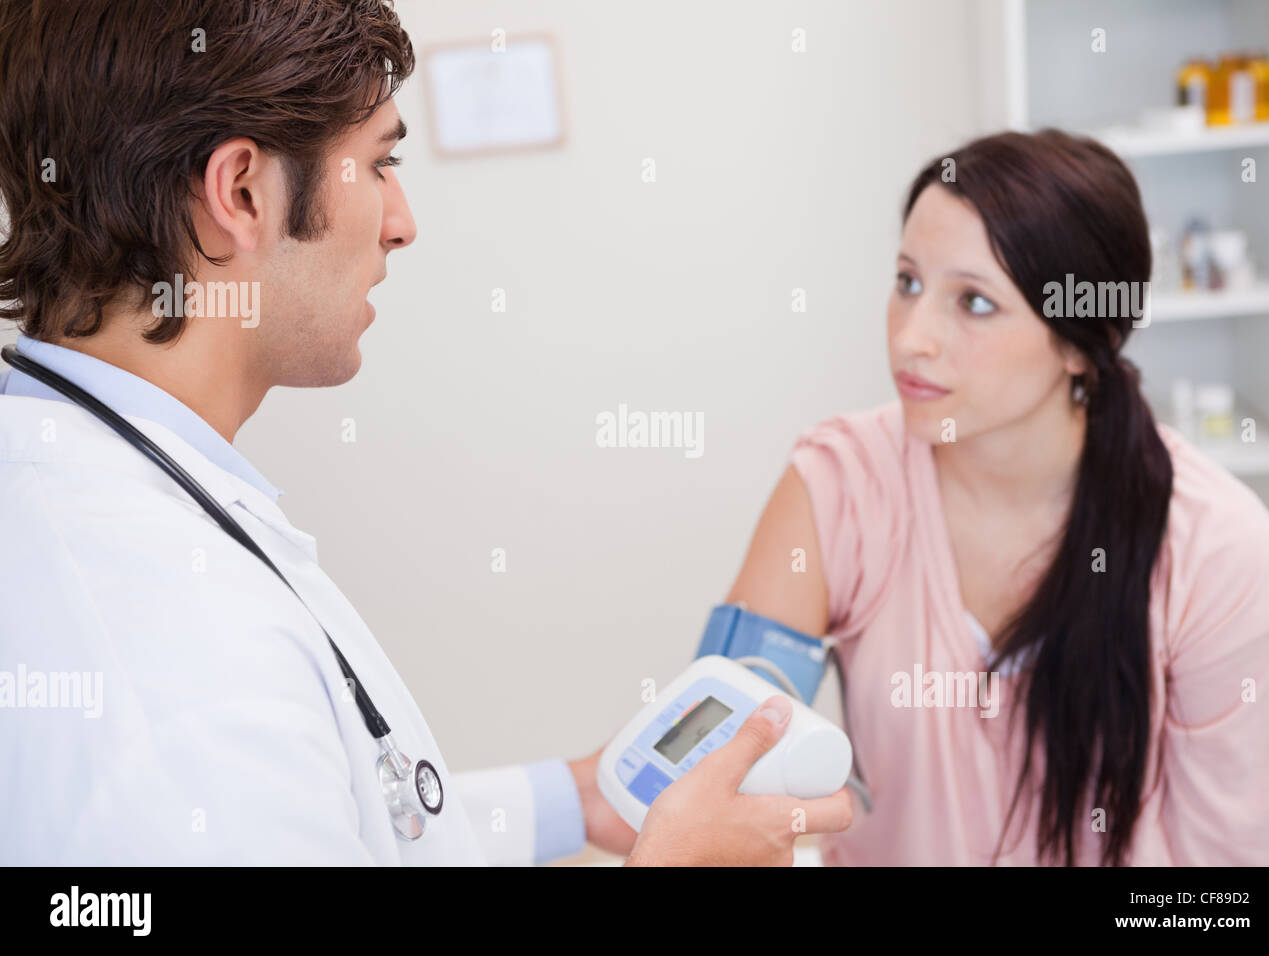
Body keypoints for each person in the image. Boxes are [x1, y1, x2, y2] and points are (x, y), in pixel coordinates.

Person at [0, 0, 851, 866]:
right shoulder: (171, 645)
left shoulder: (84, 479)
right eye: (378, 164)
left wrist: (576, 800)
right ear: (243, 193)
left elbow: (336, 813)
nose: (402, 222)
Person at [723, 129, 1269, 865]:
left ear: (1078, 342)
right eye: (907, 282)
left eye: (974, 301)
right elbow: (723, 755)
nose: (911, 339)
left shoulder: (1218, 552)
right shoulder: (838, 483)